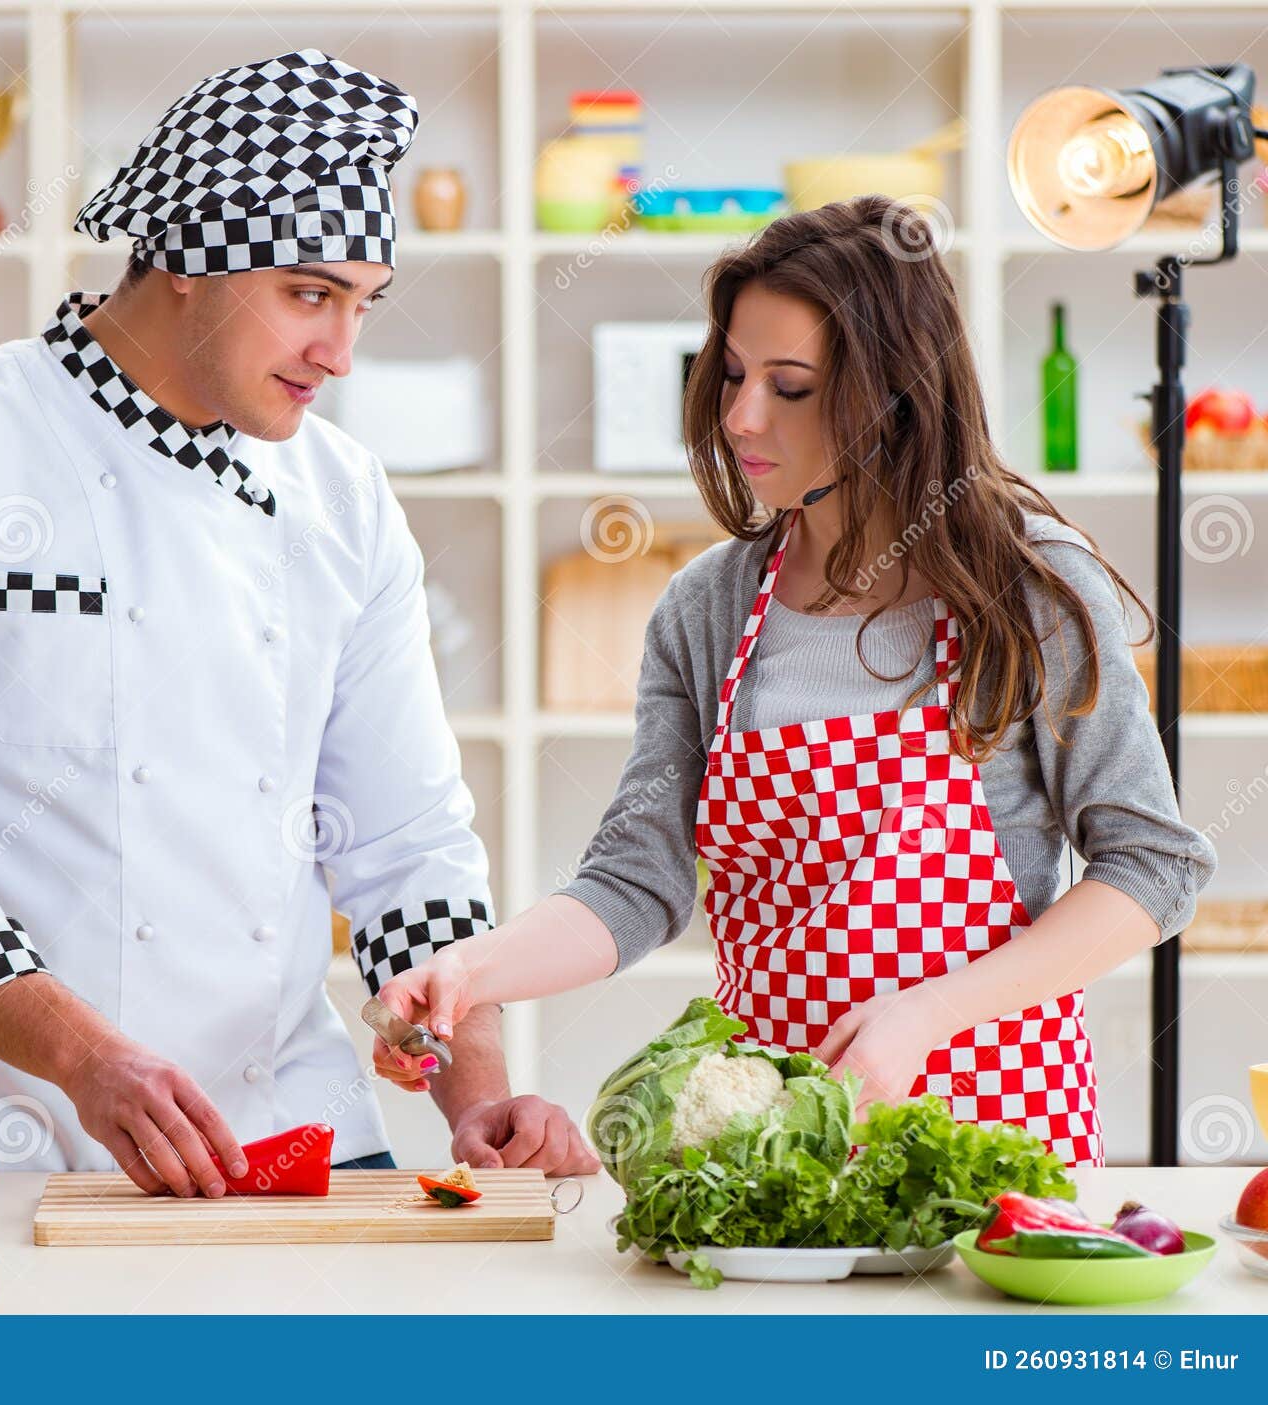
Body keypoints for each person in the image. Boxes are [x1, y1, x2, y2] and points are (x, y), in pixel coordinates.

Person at [0, 48, 596, 1195]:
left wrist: (478, 1089)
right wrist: (88, 1059)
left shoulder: (344, 497)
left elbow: (403, 838)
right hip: (0, 1143)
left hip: (290, 1127)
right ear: (183, 259)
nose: (340, 352)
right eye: (308, 293)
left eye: (362, 303)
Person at [372, 194, 1217, 1168]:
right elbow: (636, 880)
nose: (739, 415)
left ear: (893, 393)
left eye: (790, 385)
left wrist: (924, 1017)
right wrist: (468, 972)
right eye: (730, 374)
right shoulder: (708, 608)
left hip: (995, 1140)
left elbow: (1151, 867)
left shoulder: (1027, 585)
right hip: (769, 1153)